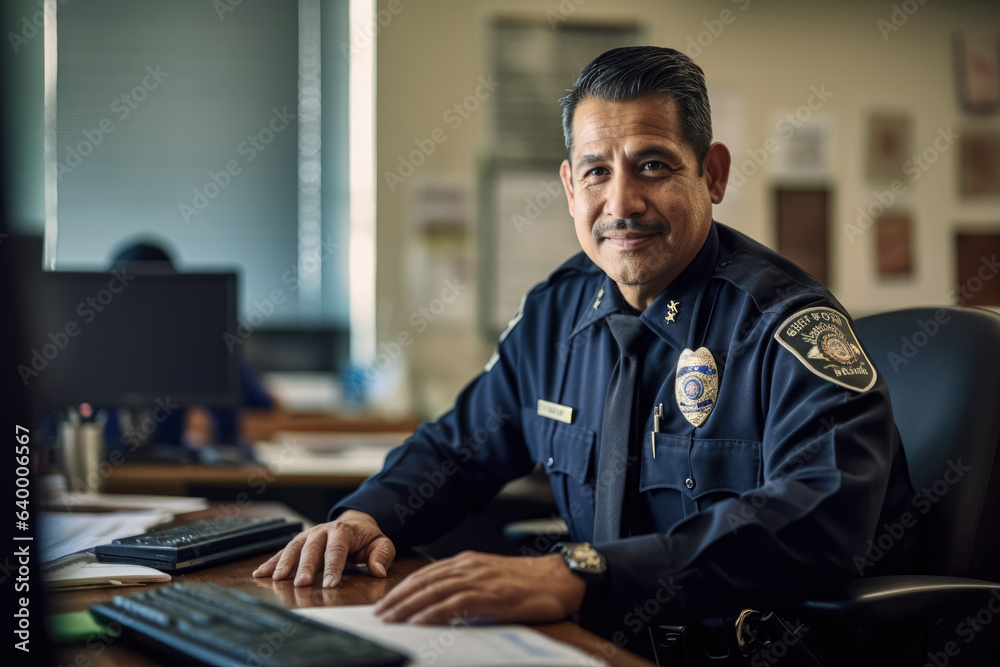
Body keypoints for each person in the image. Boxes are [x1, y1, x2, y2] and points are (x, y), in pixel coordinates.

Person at [253, 46, 921, 661]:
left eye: (653, 165)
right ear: (571, 187)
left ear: (712, 174)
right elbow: (459, 446)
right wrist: (368, 513)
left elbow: (822, 516)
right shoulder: (556, 312)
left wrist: (579, 573)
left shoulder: (785, 324)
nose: (621, 203)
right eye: (598, 172)